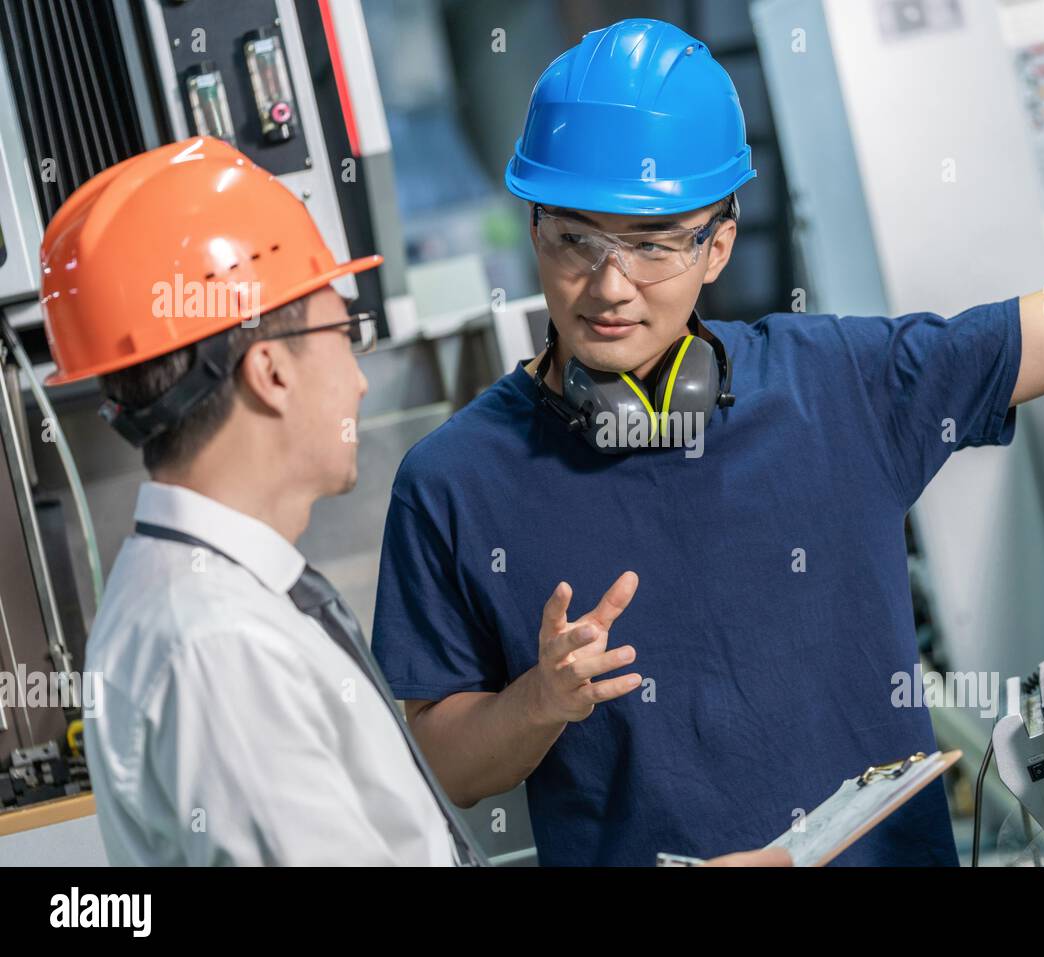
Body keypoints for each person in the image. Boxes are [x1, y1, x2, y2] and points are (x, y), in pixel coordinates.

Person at [371, 17, 1044, 866]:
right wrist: (537, 703)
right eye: (575, 240)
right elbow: (441, 766)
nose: (609, 285)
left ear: (720, 244)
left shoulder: (838, 385)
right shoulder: (452, 484)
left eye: (653, 242)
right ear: (533, 230)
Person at [46, 136, 783, 869]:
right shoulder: (217, 647)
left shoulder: (209, 604)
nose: (361, 380)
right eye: (344, 333)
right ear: (270, 372)